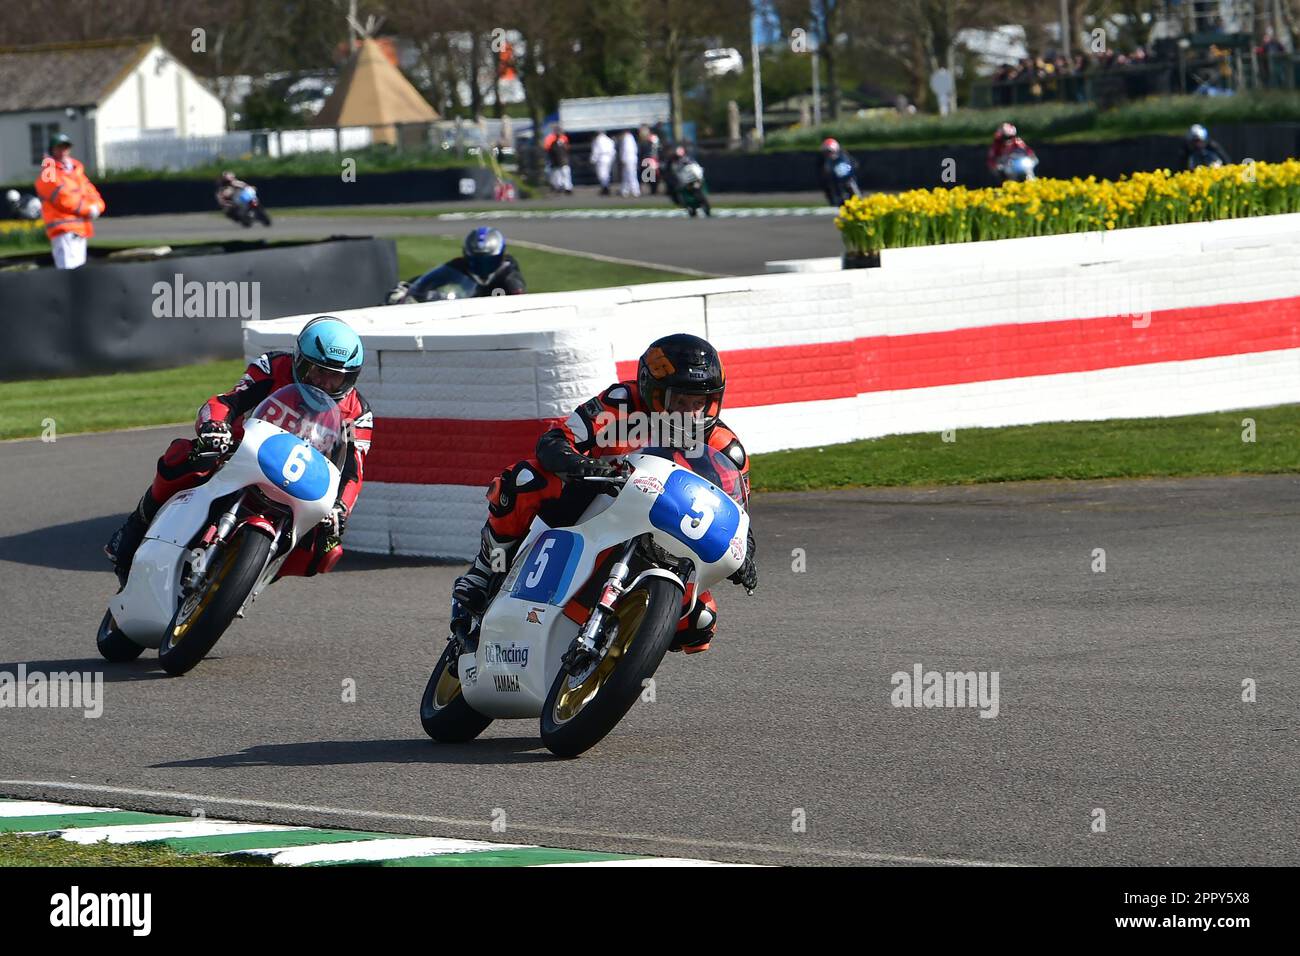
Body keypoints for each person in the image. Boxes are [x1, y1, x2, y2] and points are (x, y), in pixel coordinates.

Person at [450, 333, 758, 655]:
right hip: (599, 500)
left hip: (668, 532)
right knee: (526, 479)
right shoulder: (622, 402)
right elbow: (555, 442)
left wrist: (746, 556)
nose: (691, 413)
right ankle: (486, 568)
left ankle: (620, 651)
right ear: (652, 392)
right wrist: (582, 464)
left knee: (700, 623)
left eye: (699, 403)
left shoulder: (726, 448)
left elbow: (738, 517)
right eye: (679, 401)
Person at [104, 317, 373, 583]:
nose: (326, 383)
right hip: (241, 452)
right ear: (300, 361)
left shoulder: (357, 413)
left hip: (299, 483)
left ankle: (252, 577)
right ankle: (133, 528)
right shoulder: (274, 366)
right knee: (183, 456)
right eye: (319, 371)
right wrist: (214, 425)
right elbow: (229, 400)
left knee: (326, 548)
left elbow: (353, 470)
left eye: (336, 377)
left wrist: (341, 508)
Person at [388, 227, 525, 303]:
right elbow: (433, 278)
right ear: (467, 255)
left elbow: (520, 301)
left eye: (488, 261)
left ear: (500, 257)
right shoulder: (461, 266)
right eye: (476, 260)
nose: (482, 266)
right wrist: (409, 289)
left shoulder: (509, 275)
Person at [34, 133, 104, 270]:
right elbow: (63, 199)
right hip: (63, 230)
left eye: (65, 147)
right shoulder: (48, 173)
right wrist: (89, 209)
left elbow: (92, 193)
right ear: (51, 150)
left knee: (78, 271)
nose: (63, 151)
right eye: (58, 148)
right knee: (68, 272)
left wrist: (97, 206)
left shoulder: (75, 171)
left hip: (80, 229)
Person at [816, 138, 859, 205]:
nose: (828, 154)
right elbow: (823, 170)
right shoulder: (825, 160)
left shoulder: (844, 155)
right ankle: (835, 200)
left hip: (846, 176)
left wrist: (850, 169)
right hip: (833, 178)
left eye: (829, 151)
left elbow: (852, 164)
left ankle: (856, 197)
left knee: (851, 183)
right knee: (827, 185)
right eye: (826, 152)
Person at [543, 125, 572, 194]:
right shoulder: (550, 138)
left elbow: (567, 147)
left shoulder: (564, 138)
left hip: (563, 159)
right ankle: (558, 187)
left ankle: (567, 188)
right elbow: (546, 148)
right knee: (556, 175)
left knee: (566, 173)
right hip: (554, 160)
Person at [590, 129, 615, 196]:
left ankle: (605, 188)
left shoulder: (597, 140)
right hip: (609, 157)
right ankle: (605, 187)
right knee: (607, 174)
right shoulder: (609, 140)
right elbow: (613, 150)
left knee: (601, 174)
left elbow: (596, 150)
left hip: (601, 158)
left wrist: (593, 159)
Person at [618, 129, 641, 198]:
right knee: (627, 175)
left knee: (631, 175)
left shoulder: (627, 138)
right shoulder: (631, 138)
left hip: (628, 159)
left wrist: (623, 159)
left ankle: (635, 191)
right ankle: (625, 190)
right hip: (631, 159)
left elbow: (626, 150)